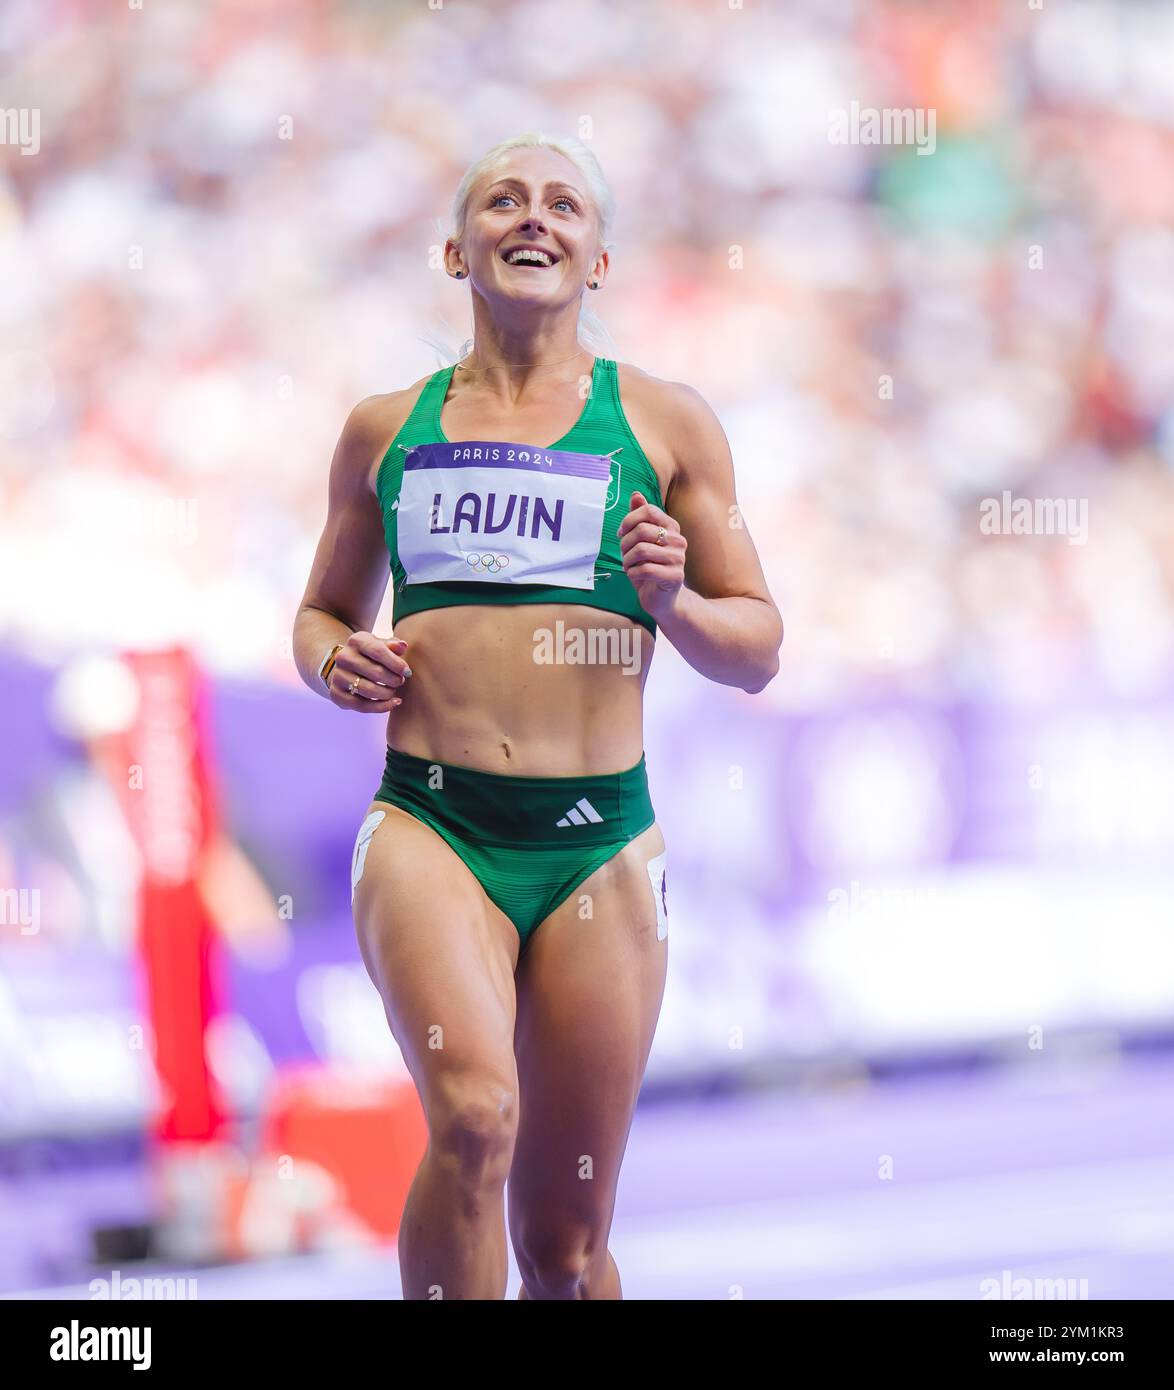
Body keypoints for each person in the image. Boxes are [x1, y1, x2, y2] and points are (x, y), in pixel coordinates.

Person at [292, 131, 782, 1300]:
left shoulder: (665, 425)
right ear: (453, 248)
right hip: (432, 825)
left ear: (597, 259)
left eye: (564, 205)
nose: (533, 218)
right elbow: (317, 613)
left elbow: (758, 649)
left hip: (598, 845)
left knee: (563, 1248)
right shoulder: (383, 429)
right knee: (472, 1114)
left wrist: (673, 602)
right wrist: (332, 665)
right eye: (502, 200)